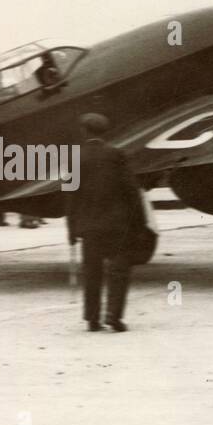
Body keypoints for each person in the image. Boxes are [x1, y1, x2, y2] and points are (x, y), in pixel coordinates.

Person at [66, 112, 145, 332]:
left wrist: (71, 229)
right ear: (104, 131)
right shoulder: (117, 154)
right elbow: (132, 191)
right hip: (117, 224)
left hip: (89, 227)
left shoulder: (75, 158)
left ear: (84, 131)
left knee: (92, 272)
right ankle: (113, 315)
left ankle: (92, 319)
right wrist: (138, 223)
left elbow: (70, 197)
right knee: (119, 271)